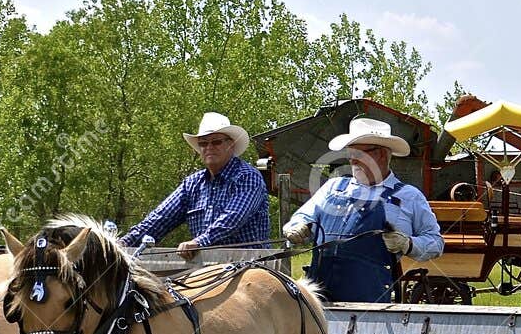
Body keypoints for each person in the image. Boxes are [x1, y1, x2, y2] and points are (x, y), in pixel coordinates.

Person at [283, 117, 444, 302]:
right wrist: (297, 226)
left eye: (359, 154)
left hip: (371, 303)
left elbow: (436, 242)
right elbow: (304, 216)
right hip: (318, 300)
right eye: (350, 153)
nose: (352, 160)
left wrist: (408, 244)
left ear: (382, 155)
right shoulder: (333, 186)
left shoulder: (409, 196)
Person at [124, 112, 271, 259]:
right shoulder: (192, 184)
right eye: (203, 143)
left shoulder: (247, 177)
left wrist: (198, 242)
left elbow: (233, 218)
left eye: (216, 142)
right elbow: (159, 219)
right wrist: (123, 243)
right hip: (205, 270)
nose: (209, 147)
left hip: (250, 265)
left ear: (231, 145)